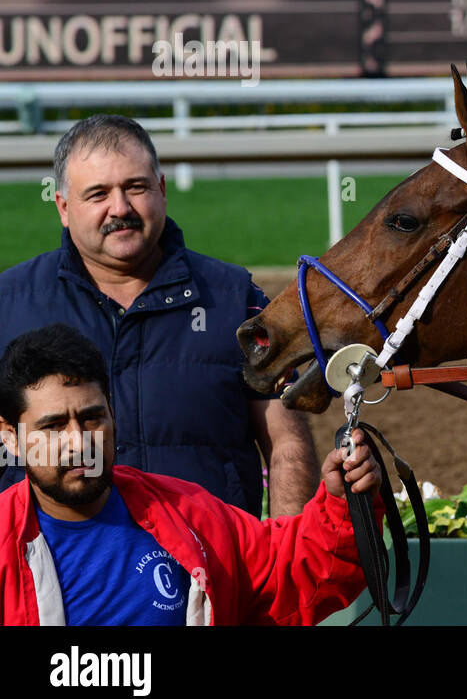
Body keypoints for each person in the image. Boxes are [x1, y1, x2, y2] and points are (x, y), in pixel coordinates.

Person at [0, 114, 317, 517]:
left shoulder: (238, 300)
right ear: (63, 207)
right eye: (98, 194)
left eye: (136, 187)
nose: (121, 208)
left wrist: (286, 554)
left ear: (162, 190)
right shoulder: (8, 302)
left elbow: (286, 443)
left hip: (208, 567)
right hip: (55, 571)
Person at [0, 322, 376, 625]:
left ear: (112, 413)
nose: (79, 442)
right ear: (11, 439)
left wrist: (344, 507)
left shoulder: (186, 511)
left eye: (91, 417)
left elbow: (289, 573)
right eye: (52, 427)